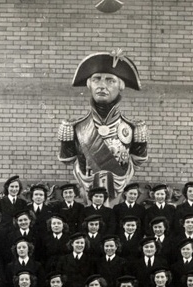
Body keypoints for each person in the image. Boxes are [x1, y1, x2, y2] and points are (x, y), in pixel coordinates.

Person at [58, 50, 148, 199]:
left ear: (121, 85)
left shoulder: (134, 128)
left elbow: (138, 159)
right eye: (96, 79)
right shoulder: (74, 127)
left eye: (110, 80)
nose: (102, 85)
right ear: (89, 84)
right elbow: (67, 159)